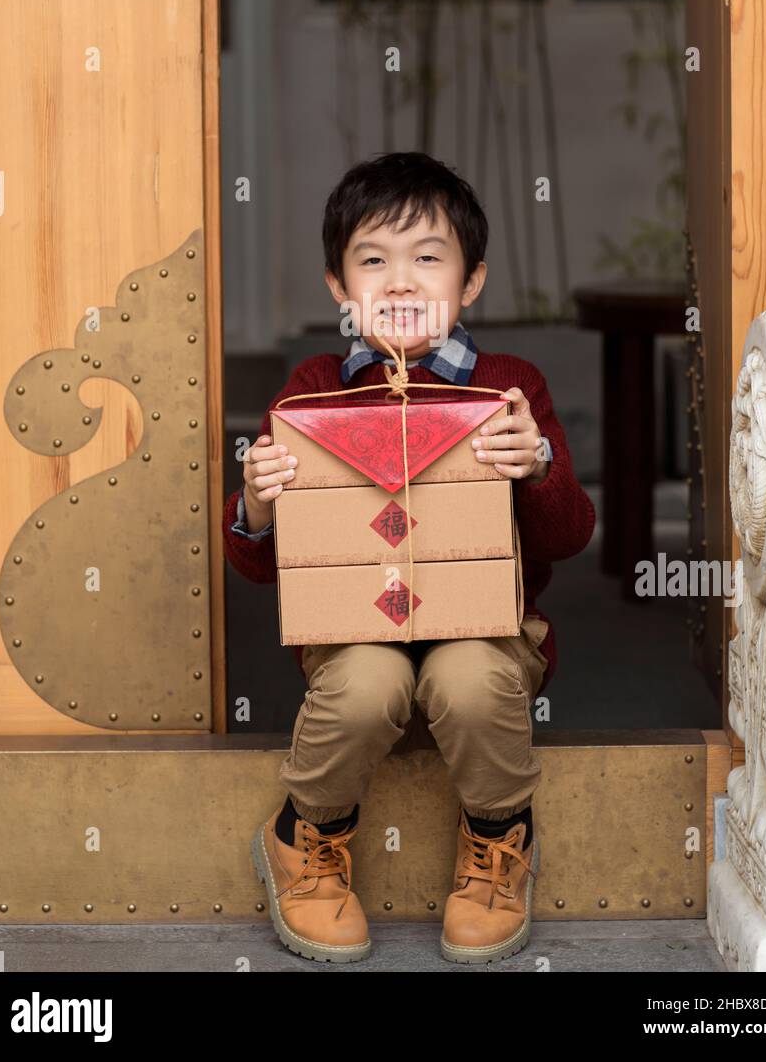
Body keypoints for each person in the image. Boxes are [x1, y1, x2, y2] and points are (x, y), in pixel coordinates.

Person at [223, 151, 595, 964]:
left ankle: (498, 838)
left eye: (427, 257)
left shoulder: (506, 387)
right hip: (357, 637)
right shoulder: (312, 388)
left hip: (487, 634)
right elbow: (258, 567)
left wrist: (535, 464)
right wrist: (255, 504)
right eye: (372, 260)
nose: (399, 282)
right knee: (368, 681)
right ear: (337, 286)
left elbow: (569, 537)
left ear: (471, 282)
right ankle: (306, 837)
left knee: (468, 676)